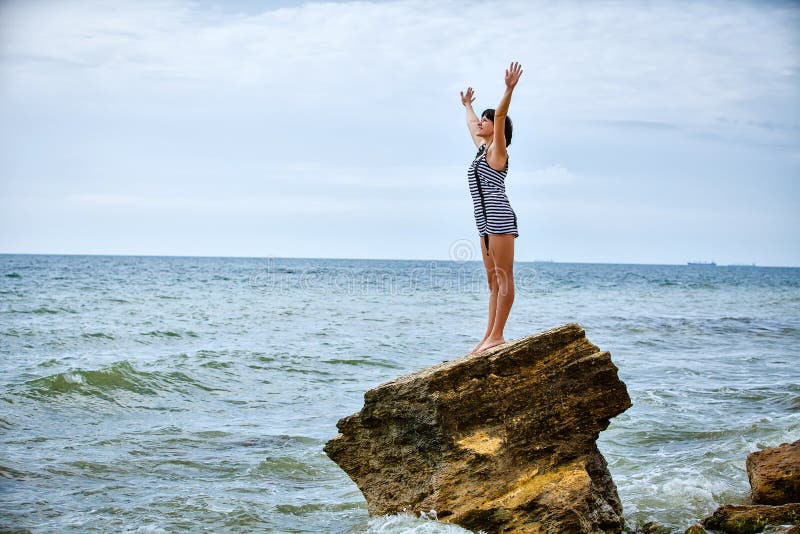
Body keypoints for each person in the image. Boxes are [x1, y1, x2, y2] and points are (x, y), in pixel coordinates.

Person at [460, 61, 523, 354]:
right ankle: (489, 335)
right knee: (492, 280)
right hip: (483, 225)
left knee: (503, 276)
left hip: (500, 220)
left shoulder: (498, 151)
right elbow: (473, 125)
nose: (481, 123)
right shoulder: (480, 150)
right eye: (481, 121)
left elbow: (499, 115)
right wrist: (467, 106)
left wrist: (508, 89)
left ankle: (498, 334)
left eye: (486, 120)